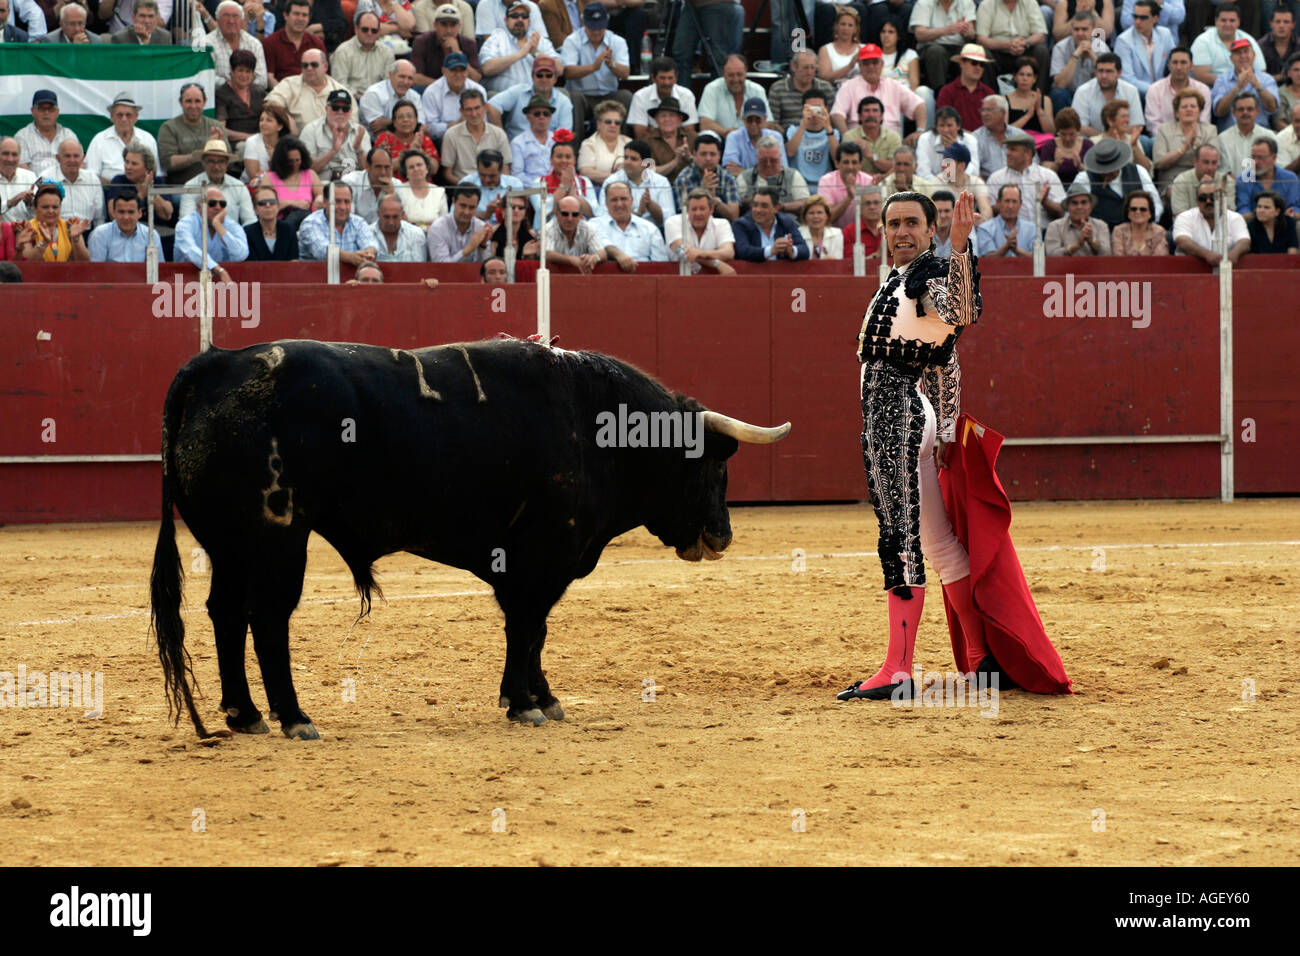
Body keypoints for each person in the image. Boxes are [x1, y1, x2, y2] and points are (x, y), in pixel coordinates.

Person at [836, 189, 993, 702]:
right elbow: (946, 359)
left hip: (893, 411)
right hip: (915, 411)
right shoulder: (903, 279)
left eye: (912, 223)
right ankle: (979, 660)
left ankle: (899, 670)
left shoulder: (927, 276)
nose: (901, 231)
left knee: (898, 535)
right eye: (893, 223)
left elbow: (963, 314)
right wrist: (945, 430)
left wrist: (962, 247)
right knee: (940, 542)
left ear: (931, 229)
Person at [559, 3, 631, 137]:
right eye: (592, 28)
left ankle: (624, 145)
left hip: (609, 96)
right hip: (584, 98)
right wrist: (593, 67)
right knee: (574, 97)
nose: (597, 32)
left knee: (625, 96)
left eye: (600, 27)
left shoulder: (617, 41)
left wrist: (611, 64)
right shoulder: (572, 41)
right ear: (584, 22)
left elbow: (626, 74)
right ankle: (574, 147)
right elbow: (567, 72)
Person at [832, 43, 926, 145]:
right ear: (860, 65)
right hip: (859, 143)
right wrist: (848, 137)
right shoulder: (848, 86)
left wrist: (920, 131)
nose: (871, 66)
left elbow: (919, 105)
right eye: (866, 63)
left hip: (891, 144)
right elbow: (836, 114)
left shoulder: (894, 86)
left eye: (875, 62)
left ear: (881, 64)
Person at [1070, 136, 1164, 226]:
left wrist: (1145, 223)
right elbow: (1071, 209)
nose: (1108, 173)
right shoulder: (1084, 178)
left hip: (1137, 228)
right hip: (1103, 234)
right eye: (1104, 170)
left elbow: (1156, 204)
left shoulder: (1138, 171)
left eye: (1111, 169)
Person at [987, 127, 1065, 228]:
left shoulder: (1048, 176)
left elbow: (1062, 212)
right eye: (1008, 149)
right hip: (1010, 234)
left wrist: (1044, 201)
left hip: (1045, 234)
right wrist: (1006, 201)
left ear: (1028, 154)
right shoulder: (996, 178)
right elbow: (989, 212)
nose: (1007, 153)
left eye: (1013, 150)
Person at [265, 48, 356, 134]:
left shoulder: (340, 90)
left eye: (314, 65)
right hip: (299, 144)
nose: (309, 68)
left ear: (325, 66)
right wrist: (287, 119)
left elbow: (354, 123)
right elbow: (269, 103)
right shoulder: (289, 84)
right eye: (305, 65)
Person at [159, 85, 232, 189]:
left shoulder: (216, 126)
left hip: (216, 187)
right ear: (180, 102)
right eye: (188, 101)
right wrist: (203, 151)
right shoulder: (169, 127)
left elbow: (228, 159)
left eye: (197, 101)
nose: (193, 106)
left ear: (205, 102)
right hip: (182, 189)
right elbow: (169, 163)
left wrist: (218, 148)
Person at [479, 1, 560, 94]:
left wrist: (536, 53)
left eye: (524, 16)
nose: (520, 19)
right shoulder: (497, 38)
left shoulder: (538, 40)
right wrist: (520, 54)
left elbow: (559, 69)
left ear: (529, 21)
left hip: (537, 97)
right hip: (506, 98)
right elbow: (486, 68)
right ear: (506, 21)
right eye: (515, 16)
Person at [975, 0, 1051, 94]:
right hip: (997, 51)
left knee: (1041, 51)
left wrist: (1025, 43)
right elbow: (981, 39)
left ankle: (1038, 98)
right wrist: (1007, 45)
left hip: (1023, 49)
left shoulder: (1030, 3)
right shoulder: (987, 4)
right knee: (983, 53)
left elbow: (1040, 35)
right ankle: (991, 99)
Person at [1153, 88, 1220, 194]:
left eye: (1193, 106)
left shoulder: (1210, 130)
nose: (1189, 109)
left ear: (1199, 111)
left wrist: (1196, 145)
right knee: (1173, 191)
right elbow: (1159, 163)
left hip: (1202, 178)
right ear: (1177, 112)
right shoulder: (1164, 130)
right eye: (1184, 107)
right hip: (1172, 180)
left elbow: (1213, 161)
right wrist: (1183, 149)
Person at [174, 186, 249, 279]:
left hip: (222, 282)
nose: (218, 207)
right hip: (186, 281)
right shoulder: (185, 224)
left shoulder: (230, 224)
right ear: (199, 207)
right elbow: (191, 250)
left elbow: (241, 255)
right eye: (212, 203)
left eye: (222, 204)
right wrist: (218, 270)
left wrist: (218, 225)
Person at [84, 94, 160, 184]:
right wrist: (115, 186)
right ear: (112, 117)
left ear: (136, 117)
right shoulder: (99, 140)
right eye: (120, 115)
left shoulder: (148, 139)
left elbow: (156, 174)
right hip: (108, 192)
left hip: (143, 191)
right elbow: (91, 176)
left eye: (128, 115)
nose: (124, 119)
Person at [591, 180, 668, 269]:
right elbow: (600, 244)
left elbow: (661, 266)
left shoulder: (650, 229)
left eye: (623, 199)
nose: (619, 204)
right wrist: (618, 255)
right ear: (606, 203)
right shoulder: (593, 225)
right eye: (614, 200)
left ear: (631, 201)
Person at [297, 181, 380, 261]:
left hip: (352, 275)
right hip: (316, 274)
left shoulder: (358, 222)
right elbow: (322, 251)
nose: (343, 207)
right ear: (325, 202)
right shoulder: (310, 223)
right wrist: (351, 257)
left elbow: (371, 244)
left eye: (347, 202)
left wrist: (368, 254)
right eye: (337, 201)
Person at [1210, 37, 1280, 132]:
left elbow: (1272, 108)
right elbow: (1219, 112)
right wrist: (1237, 87)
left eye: (1246, 51)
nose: (1243, 56)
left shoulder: (1266, 79)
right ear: (1231, 59)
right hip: (1230, 133)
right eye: (1238, 53)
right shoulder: (1222, 80)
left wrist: (1257, 85)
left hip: (1261, 134)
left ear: (1254, 56)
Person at [1172, 177, 1250, 262]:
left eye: (1213, 197)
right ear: (1197, 201)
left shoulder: (1235, 217)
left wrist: (1234, 254)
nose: (1208, 201)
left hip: (1228, 268)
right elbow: (1182, 240)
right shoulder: (1185, 217)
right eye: (1203, 198)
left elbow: (1244, 241)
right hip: (1190, 268)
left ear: (1222, 198)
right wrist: (1207, 255)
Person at [880, 14, 936, 130]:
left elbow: (914, 82)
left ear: (898, 35)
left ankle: (926, 134)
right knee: (894, 104)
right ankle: (897, 145)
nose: (886, 35)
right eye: (883, 32)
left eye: (891, 32)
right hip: (884, 98)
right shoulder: (876, 56)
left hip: (908, 96)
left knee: (924, 91)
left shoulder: (909, 54)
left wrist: (904, 99)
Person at [302, 89, 373, 181]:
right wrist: (333, 151)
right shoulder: (311, 130)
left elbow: (369, 172)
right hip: (322, 186)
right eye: (335, 107)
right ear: (326, 109)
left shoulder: (360, 132)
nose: (340, 112)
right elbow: (307, 169)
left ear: (351, 111)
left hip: (354, 187)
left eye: (345, 109)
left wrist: (358, 150)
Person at [179, 141, 256, 225]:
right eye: (211, 161)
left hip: (232, 236)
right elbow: (186, 221)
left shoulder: (239, 187)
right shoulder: (191, 186)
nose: (216, 166)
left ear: (227, 164)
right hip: (200, 236)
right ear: (203, 163)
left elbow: (250, 220)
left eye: (221, 162)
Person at [1190, 3, 1266, 87]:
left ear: (1238, 22)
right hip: (1213, 88)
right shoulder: (1203, 41)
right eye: (1223, 20)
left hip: (1247, 87)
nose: (1228, 24)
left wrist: (1241, 82)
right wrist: (1234, 82)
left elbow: (1262, 71)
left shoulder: (1248, 39)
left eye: (1232, 20)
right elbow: (1201, 75)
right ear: (1216, 21)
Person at [664, 187, 738, 274]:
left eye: (702, 209)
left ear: (711, 210)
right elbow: (687, 253)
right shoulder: (672, 222)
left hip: (711, 281)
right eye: (694, 209)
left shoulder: (722, 224)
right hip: (677, 279)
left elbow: (728, 252)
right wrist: (717, 263)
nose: (698, 213)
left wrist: (701, 253)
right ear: (687, 211)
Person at [910, 0, 979, 93]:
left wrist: (966, 31)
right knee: (936, 51)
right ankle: (940, 94)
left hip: (957, 46)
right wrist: (946, 30)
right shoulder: (923, 3)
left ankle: (969, 94)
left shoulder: (966, 2)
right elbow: (919, 34)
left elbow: (972, 35)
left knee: (970, 53)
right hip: (931, 47)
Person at [603, 139, 677, 225]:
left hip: (652, 233)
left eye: (633, 159)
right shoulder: (611, 182)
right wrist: (638, 212)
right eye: (626, 157)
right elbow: (604, 216)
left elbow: (669, 220)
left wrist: (650, 204)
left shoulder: (661, 182)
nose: (628, 162)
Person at [670, 0, 744, 85]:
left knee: (719, 60)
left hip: (719, 5)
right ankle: (682, 96)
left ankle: (718, 96)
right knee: (680, 56)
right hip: (691, 6)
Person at [698, 54, 772, 139]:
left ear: (746, 72)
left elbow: (768, 123)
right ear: (723, 74)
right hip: (721, 141)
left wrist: (745, 134)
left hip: (752, 141)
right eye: (731, 75)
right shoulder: (712, 89)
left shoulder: (758, 90)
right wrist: (727, 133)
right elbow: (705, 124)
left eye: (739, 74)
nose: (735, 80)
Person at [731, 185, 811, 262]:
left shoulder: (786, 222)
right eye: (755, 205)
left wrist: (791, 250)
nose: (758, 210)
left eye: (764, 206)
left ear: (776, 208)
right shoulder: (741, 225)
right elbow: (742, 252)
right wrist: (771, 250)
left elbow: (805, 250)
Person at [1114, 0, 1177, 98]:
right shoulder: (1123, 41)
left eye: (1143, 18)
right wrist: (1157, 91)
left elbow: (1175, 63)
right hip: (1136, 97)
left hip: (1163, 94)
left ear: (1155, 18)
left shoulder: (1165, 34)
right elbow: (1126, 78)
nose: (1137, 21)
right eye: (1135, 17)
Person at [1049, 9, 1107, 114]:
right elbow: (1060, 84)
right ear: (1071, 30)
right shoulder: (1060, 47)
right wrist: (1075, 56)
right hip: (1068, 94)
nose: (1080, 33)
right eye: (1076, 29)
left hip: (1092, 95)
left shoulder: (1101, 47)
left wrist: (1093, 57)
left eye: (1084, 29)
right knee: (1058, 94)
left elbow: (1108, 79)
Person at [628, 56, 700, 139]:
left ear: (676, 78)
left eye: (670, 78)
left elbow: (689, 132)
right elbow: (640, 136)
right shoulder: (640, 96)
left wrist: (653, 129)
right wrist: (673, 129)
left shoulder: (687, 95)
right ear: (653, 78)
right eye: (662, 78)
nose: (667, 82)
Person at [737, 136, 810, 216]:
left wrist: (782, 207)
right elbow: (739, 201)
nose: (768, 164)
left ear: (780, 157)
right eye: (764, 160)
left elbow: (804, 203)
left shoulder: (793, 176)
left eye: (773, 160)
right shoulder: (744, 177)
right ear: (757, 158)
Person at [16, 182, 91, 261]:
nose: (51, 211)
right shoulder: (26, 228)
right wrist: (44, 242)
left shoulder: (71, 227)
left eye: (55, 207)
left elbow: (85, 262)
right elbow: (26, 261)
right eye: (45, 207)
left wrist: (76, 239)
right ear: (35, 208)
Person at [674, 132, 740, 221]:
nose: (708, 158)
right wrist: (703, 192)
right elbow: (684, 217)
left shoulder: (728, 177)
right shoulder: (684, 179)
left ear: (719, 156)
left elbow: (734, 216)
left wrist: (713, 199)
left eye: (712, 154)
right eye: (703, 154)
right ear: (695, 154)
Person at [421, 51, 488, 140]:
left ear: (468, 71)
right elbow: (429, 129)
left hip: (474, 135)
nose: (458, 75)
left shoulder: (479, 90)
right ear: (444, 71)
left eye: (462, 70)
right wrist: (457, 125)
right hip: (444, 139)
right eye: (453, 70)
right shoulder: (431, 92)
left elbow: (484, 122)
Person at [261, 135, 324, 227]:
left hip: (308, 221)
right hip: (280, 223)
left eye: (297, 160)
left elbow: (321, 195)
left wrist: (319, 199)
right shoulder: (269, 178)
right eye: (290, 161)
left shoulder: (309, 174)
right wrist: (292, 203)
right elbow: (264, 205)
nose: (294, 165)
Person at [1145, 45, 1214, 129]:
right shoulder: (1155, 89)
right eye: (1175, 62)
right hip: (1164, 139)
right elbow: (1153, 124)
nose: (1178, 67)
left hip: (1196, 138)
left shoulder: (1203, 90)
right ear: (1169, 65)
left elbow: (1204, 122)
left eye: (1183, 62)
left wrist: (1189, 139)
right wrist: (1172, 140)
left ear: (1191, 66)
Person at [411, 3, 481, 86]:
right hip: (431, 90)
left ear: (459, 26)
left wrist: (458, 53)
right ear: (435, 25)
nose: (449, 30)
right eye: (444, 25)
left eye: (453, 25)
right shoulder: (421, 41)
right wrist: (444, 87)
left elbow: (476, 78)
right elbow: (416, 77)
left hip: (461, 90)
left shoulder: (469, 44)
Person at [15, 90, 78, 180]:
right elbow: (22, 168)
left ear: (57, 112)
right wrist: (41, 187)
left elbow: (78, 164)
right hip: (35, 189)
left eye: (51, 109)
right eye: (41, 109)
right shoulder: (22, 136)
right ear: (33, 111)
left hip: (65, 186)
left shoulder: (69, 136)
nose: (46, 113)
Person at [334, 9, 397, 97]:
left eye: (374, 30)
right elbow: (340, 85)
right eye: (365, 29)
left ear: (379, 32)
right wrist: (361, 98)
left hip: (380, 100)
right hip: (352, 100)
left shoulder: (387, 52)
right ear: (356, 29)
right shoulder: (342, 51)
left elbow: (389, 84)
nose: (369, 33)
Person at [203, 2, 268, 89]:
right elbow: (204, 78)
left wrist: (242, 86)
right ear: (217, 20)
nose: (231, 21)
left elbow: (262, 81)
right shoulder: (205, 44)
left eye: (236, 16)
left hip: (249, 98)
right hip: (218, 99)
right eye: (226, 16)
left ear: (242, 21)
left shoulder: (254, 44)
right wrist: (234, 85)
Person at [771, 50, 837, 132]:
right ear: (793, 66)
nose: (809, 72)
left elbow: (832, 120)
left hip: (819, 137)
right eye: (805, 68)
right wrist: (789, 137)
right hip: (788, 138)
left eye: (813, 68)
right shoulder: (778, 89)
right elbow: (774, 123)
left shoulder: (826, 88)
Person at [936, 42, 995, 133]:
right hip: (954, 140)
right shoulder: (947, 91)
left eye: (982, 64)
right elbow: (944, 123)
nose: (978, 67)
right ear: (961, 63)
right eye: (974, 63)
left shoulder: (989, 93)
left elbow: (994, 124)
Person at [216, 50, 266, 156]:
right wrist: (249, 137)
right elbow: (221, 129)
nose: (244, 75)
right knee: (247, 148)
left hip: (261, 139)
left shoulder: (258, 91)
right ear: (232, 71)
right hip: (236, 144)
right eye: (240, 70)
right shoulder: (221, 94)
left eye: (248, 71)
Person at [1217, 91, 1278, 179]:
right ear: (1233, 112)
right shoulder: (1222, 139)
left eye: (1250, 109)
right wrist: (1242, 187)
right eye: (1241, 109)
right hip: (1234, 189)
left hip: (1264, 188)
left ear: (1257, 111)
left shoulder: (1269, 136)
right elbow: (1224, 172)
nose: (1245, 112)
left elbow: (1274, 167)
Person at [264, 0, 328, 83]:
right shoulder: (270, 43)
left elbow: (323, 74)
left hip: (311, 91)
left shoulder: (317, 43)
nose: (300, 19)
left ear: (309, 18)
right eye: (296, 14)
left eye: (304, 15)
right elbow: (269, 77)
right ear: (285, 15)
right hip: (282, 91)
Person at [88, 192, 164, 261]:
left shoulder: (151, 235)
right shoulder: (99, 234)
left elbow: (159, 269)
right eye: (121, 212)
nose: (126, 217)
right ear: (114, 213)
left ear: (140, 213)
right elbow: (96, 270)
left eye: (131, 212)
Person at [1237, 136, 1300, 218]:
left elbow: (1296, 207)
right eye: (1253, 157)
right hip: (1254, 226)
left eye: (1260, 157)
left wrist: (1292, 213)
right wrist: (1264, 215)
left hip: (1284, 224)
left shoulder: (1290, 178)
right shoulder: (1244, 179)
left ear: (1274, 158)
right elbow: (1243, 210)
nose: (1255, 162)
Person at [427, 183, 494, 260]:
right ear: (454, 202)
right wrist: (467, 250)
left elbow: (485, 267)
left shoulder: (481, 228)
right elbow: (442, 266)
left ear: (477, 205)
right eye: (463, 206)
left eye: (472, 207)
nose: (466, 212)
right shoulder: (438, 228)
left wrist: (482, 246)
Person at [784, 91, 836, 186]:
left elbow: (837, 159)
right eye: (810, 108)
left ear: (826, 109)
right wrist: (803, 125)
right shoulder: (791, 131)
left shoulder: (834, 134)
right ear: (803, 109)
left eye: (818, 107)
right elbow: (789, 152)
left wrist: (828, 128)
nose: (814, 112)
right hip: (798, 185)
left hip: (825, 184)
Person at [843, 95, 904, 176]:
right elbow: (848, 169)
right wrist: (873, 178)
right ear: (860, 116)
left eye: (875, 110)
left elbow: (894, 166)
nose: (871, 115)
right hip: (859, 184)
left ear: (881, 116)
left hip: (888, 184)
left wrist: (869, 155)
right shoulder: (850, 137)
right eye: (866, 110)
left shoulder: (894, 137)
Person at [819, 141, 875, 228]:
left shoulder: (868, 181)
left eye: (854, 162)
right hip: (833, 235)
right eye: (846, 162)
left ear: (860, 165)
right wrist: (849, 197)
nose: (850, 167)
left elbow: (873, 218)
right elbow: (826, 219)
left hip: (861, 234)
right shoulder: (826, 181)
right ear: (837, 164)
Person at [542, 193, 606, 270]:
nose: (570, 219)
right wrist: (571, 260)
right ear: (557, 215)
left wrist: (594, 258)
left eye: (575, 214)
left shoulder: (588, 228)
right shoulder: (548, 228)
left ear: (580, 216)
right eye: (565, 214)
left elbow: (602, 253)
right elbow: (546, 253)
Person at [1045, 180, 1113, 252]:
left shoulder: (1101, 225)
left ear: (1091, 206)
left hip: (1094, 264)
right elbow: (1051, 255)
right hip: (1066, 264)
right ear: (1068, 207)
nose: (1079, 207)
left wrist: (1092, 241)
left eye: (1084, 202)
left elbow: (1107, 254)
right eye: (1074, 203)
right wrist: (1077, 245)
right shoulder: (1055, 226)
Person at [376, 101, 440, 177]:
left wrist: (420, 152)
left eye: (409, 116)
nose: (405, 120)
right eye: (400, 117)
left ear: (416, 120)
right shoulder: (384, 139)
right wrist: (410, 152)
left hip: (421, 186)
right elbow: (381, 170)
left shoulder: (423, 139)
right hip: (394, 186)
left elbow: (434, 169)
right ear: (394, 122)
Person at [915, 105, 979, 178]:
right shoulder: (925, 139)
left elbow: (974, 173)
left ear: (958, 126)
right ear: (936, 127)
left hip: (962, 185)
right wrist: (941, 185)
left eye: (949, 125)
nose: (945, 130)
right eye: (942, 125)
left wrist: (956, 150)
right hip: (932, 186)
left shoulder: (970, 140)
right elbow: (922, 172)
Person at [52, 139, 104, 229]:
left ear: (83, 158)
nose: (72, 160)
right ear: (58, 158)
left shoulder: (92, 179)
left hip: (86, 233)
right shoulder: (47, 178)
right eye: (67, 156)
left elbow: (99, 218)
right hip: (56, 234)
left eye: (76, 156)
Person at [1171, 142, 1236, 212]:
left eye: (1214, 163)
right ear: (1195, 161)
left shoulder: (1227, 181)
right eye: (1206, 162)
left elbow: (1230, 215)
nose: (1210, 168)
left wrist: (1217, 192)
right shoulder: (1181, 181)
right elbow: (1180, 216)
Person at [341, 146, 398, 224]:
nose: (383, 172)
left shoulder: (397, 185)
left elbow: (402, 221)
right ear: (367, 166)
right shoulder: (351, 182)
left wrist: (392, 195)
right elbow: (347, 219)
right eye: (378, 167)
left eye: (387, 167)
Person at [976, 182, 1038, 254]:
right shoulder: (985, 228)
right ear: (998, 202)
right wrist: (1007, 246)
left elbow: (1037, 260)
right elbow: (987, 260)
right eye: (1007, 201)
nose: (1010, 206)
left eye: (1014, 201)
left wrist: (1015, 249)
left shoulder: (1031, 229)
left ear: (1020, 204)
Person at [579, 99, 630, 185]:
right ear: (598, 124)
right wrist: (616, 178)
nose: (613, 125)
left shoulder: (629, 142)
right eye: (608, 122)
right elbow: (586, 171)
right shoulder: (589, 144)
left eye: (617, 123)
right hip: (597, 189)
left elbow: (642, 168)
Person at [511, 94, 559, 184]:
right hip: (531, 190)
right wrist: (539, 186)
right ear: (528, 117)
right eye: (537, 114)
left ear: (550, 117)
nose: (542, 117)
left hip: (557, 187)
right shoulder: (517, 143)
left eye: (546, 114)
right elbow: (517, 174)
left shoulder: (557, 140)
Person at [1038, 106, 1094, 183]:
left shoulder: (1088, 145)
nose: (1067, 138)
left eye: (1071, 134)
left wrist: (1080, 166)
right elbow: (1044, 174)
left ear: (1078, 131)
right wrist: (1056, 164)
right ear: (1058, 131)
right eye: (1063, 134)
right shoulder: (1049, 146)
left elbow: (1094, 173)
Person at [243, 185, 300, 260]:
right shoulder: (247, 232)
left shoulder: (289, 229)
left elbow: (294, 260)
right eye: (262, 203)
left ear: (278, 206)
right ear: (255, 209)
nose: (268, 205)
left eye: (272, 202)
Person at [1098, 99, 1154, 175]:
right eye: (1123, 117)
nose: (1127, 120)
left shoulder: (1132, 140)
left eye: (1128, 116)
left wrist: (1134, 147)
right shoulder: (1096, 142)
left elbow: (1146, 169)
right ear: (1110, 121)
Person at [394, 148, 447, 227]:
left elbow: (444, 223)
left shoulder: (439, 191)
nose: (416, 169)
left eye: (419, 165)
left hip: (435, 236)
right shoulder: (399, 190)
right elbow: (400, 221)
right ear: (406, 173)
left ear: (427, 168)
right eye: (411, 167)